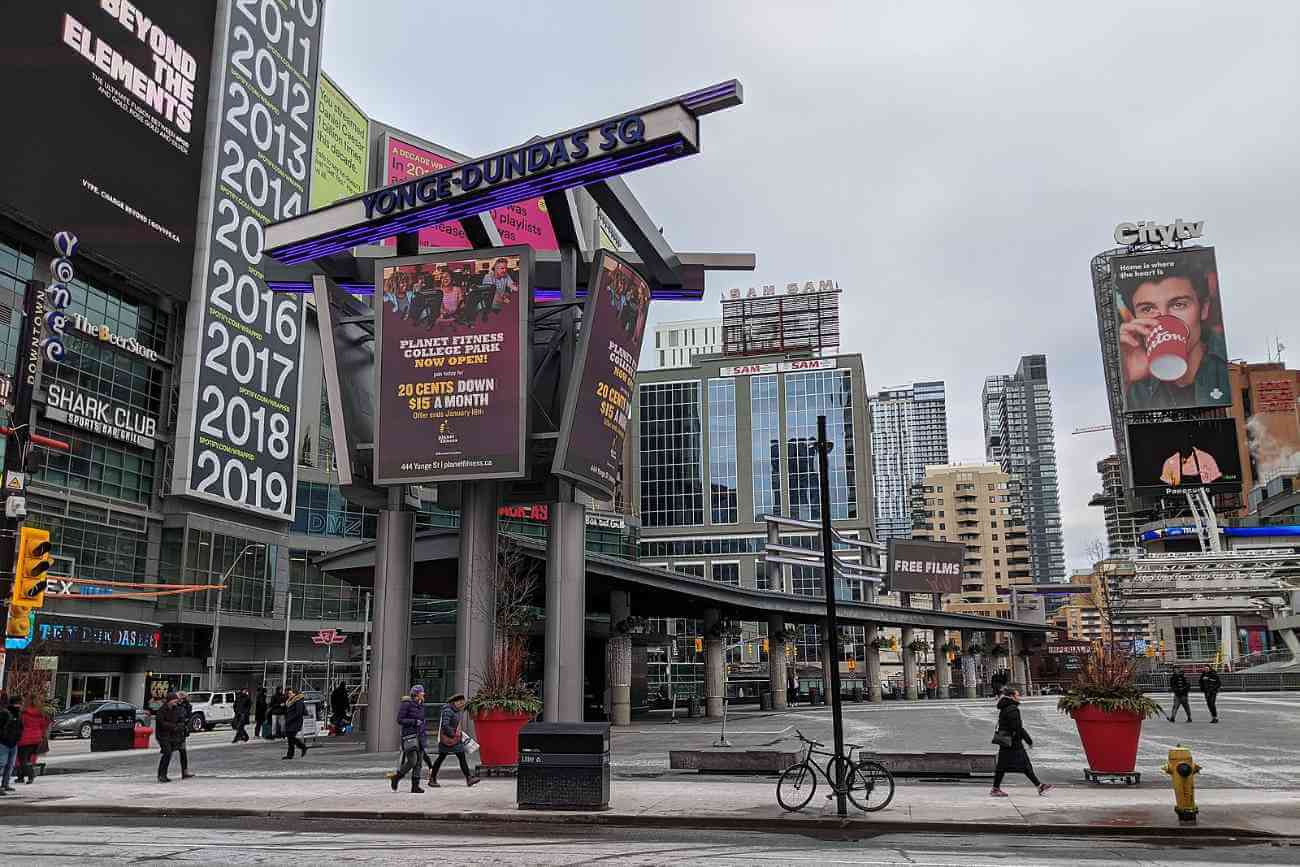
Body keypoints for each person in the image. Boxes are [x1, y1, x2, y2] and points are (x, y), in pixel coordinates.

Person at [1117, 256, 1230, 411]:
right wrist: (1125, 380)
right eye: (1148, 309)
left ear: (1203, 309)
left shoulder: (1228, 370)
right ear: (1133, 318)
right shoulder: (1134, 384)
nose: (1164, 317)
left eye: (1178, 305)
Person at [990, 684, 1051, 797]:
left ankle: (1039, 785)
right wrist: (1028, 740)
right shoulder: (1012, 709)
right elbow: (1017, 727)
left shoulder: (1005, 707)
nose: (1019, 697)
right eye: (1017, 695)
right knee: (1021, 764)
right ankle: (1039, 786)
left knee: (1010, 765)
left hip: (1007, 741)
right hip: (1013, 742)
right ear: (1012, 696)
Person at [427, 693, 480, 788]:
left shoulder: (455, 711)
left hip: (454, 739)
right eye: (461, 703)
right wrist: (453, 734)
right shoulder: (448, 711)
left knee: (461, 757)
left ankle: (469, 778)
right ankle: (432, 779)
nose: (462, 705)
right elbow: (445, 725)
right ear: (456, 702)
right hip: (448, 739)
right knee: (441, 758)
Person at [391, 685, 428, 793]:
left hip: (420, 736)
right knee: (412, 761)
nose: (423, 694)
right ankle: (396, 777)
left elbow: (422, 720)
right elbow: (400, 719)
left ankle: (415, 786)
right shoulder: (406, 704)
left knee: (419, 763)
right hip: (410, 736)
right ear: (416, 694)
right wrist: (414, 722)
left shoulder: (421, 705)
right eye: (422, 692)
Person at [155, 692, 191, 783]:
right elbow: (161, 723)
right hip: (163, 736)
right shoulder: (162, 710)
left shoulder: (176, 709)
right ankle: (161, 775)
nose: (176, 702)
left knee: (170, 753)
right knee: (167, 753)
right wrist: (173, 726)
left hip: (173, 735)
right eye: (174, 700)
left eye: (176, 700)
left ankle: (164, 775)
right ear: (169, 701)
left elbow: (181, 719)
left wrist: (179, 726)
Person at [15, 696, 50, 786]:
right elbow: (45, 725)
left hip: (24, 738)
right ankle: (21, 777)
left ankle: (30, 775)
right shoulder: (41, 713)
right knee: (29, 758)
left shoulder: (23, 713)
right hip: (36, 738)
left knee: (22, 759)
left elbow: (20, 725)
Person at [0, 693, 21, 794]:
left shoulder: (17, 713)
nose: (19, 705)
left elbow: (20, 727)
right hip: (4, 743)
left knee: (10, 765)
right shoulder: (5, 713)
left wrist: (18, 738)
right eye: (18, 703)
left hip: (13, 743)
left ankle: (5, 784)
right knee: (2, 764)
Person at [282, 689, 309, 760]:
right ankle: (290, 754)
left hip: (295, 722)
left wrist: (289, 719)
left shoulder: (298, 701)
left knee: (291, 737)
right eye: (289, 693)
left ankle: (302, 747)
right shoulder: (291, 701)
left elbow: (298, 713)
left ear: (295, 694)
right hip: (290, 722)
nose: (289, 695)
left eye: (291, 693)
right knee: (290, 738)